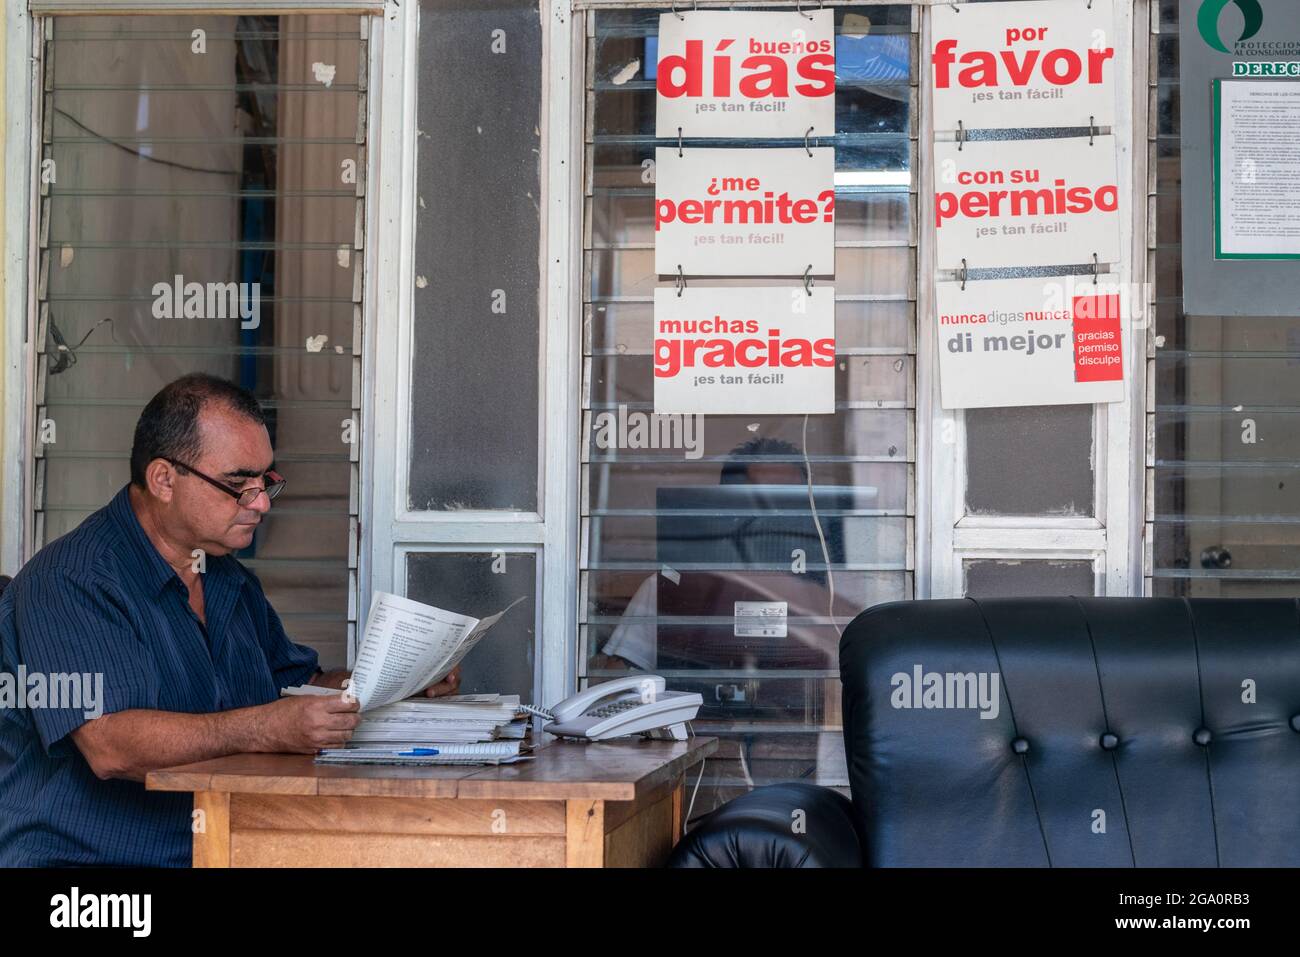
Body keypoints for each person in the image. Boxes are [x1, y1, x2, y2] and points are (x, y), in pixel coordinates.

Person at [0, 373, 460, 866]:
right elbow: (111, 746)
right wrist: (263, 729)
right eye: (238, 484)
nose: (260, 502)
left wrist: (391, 680)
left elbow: (297, 688)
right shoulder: (71, 580)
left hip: (231, 847)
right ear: (163, 479)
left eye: (266, 482)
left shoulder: (225, 577)